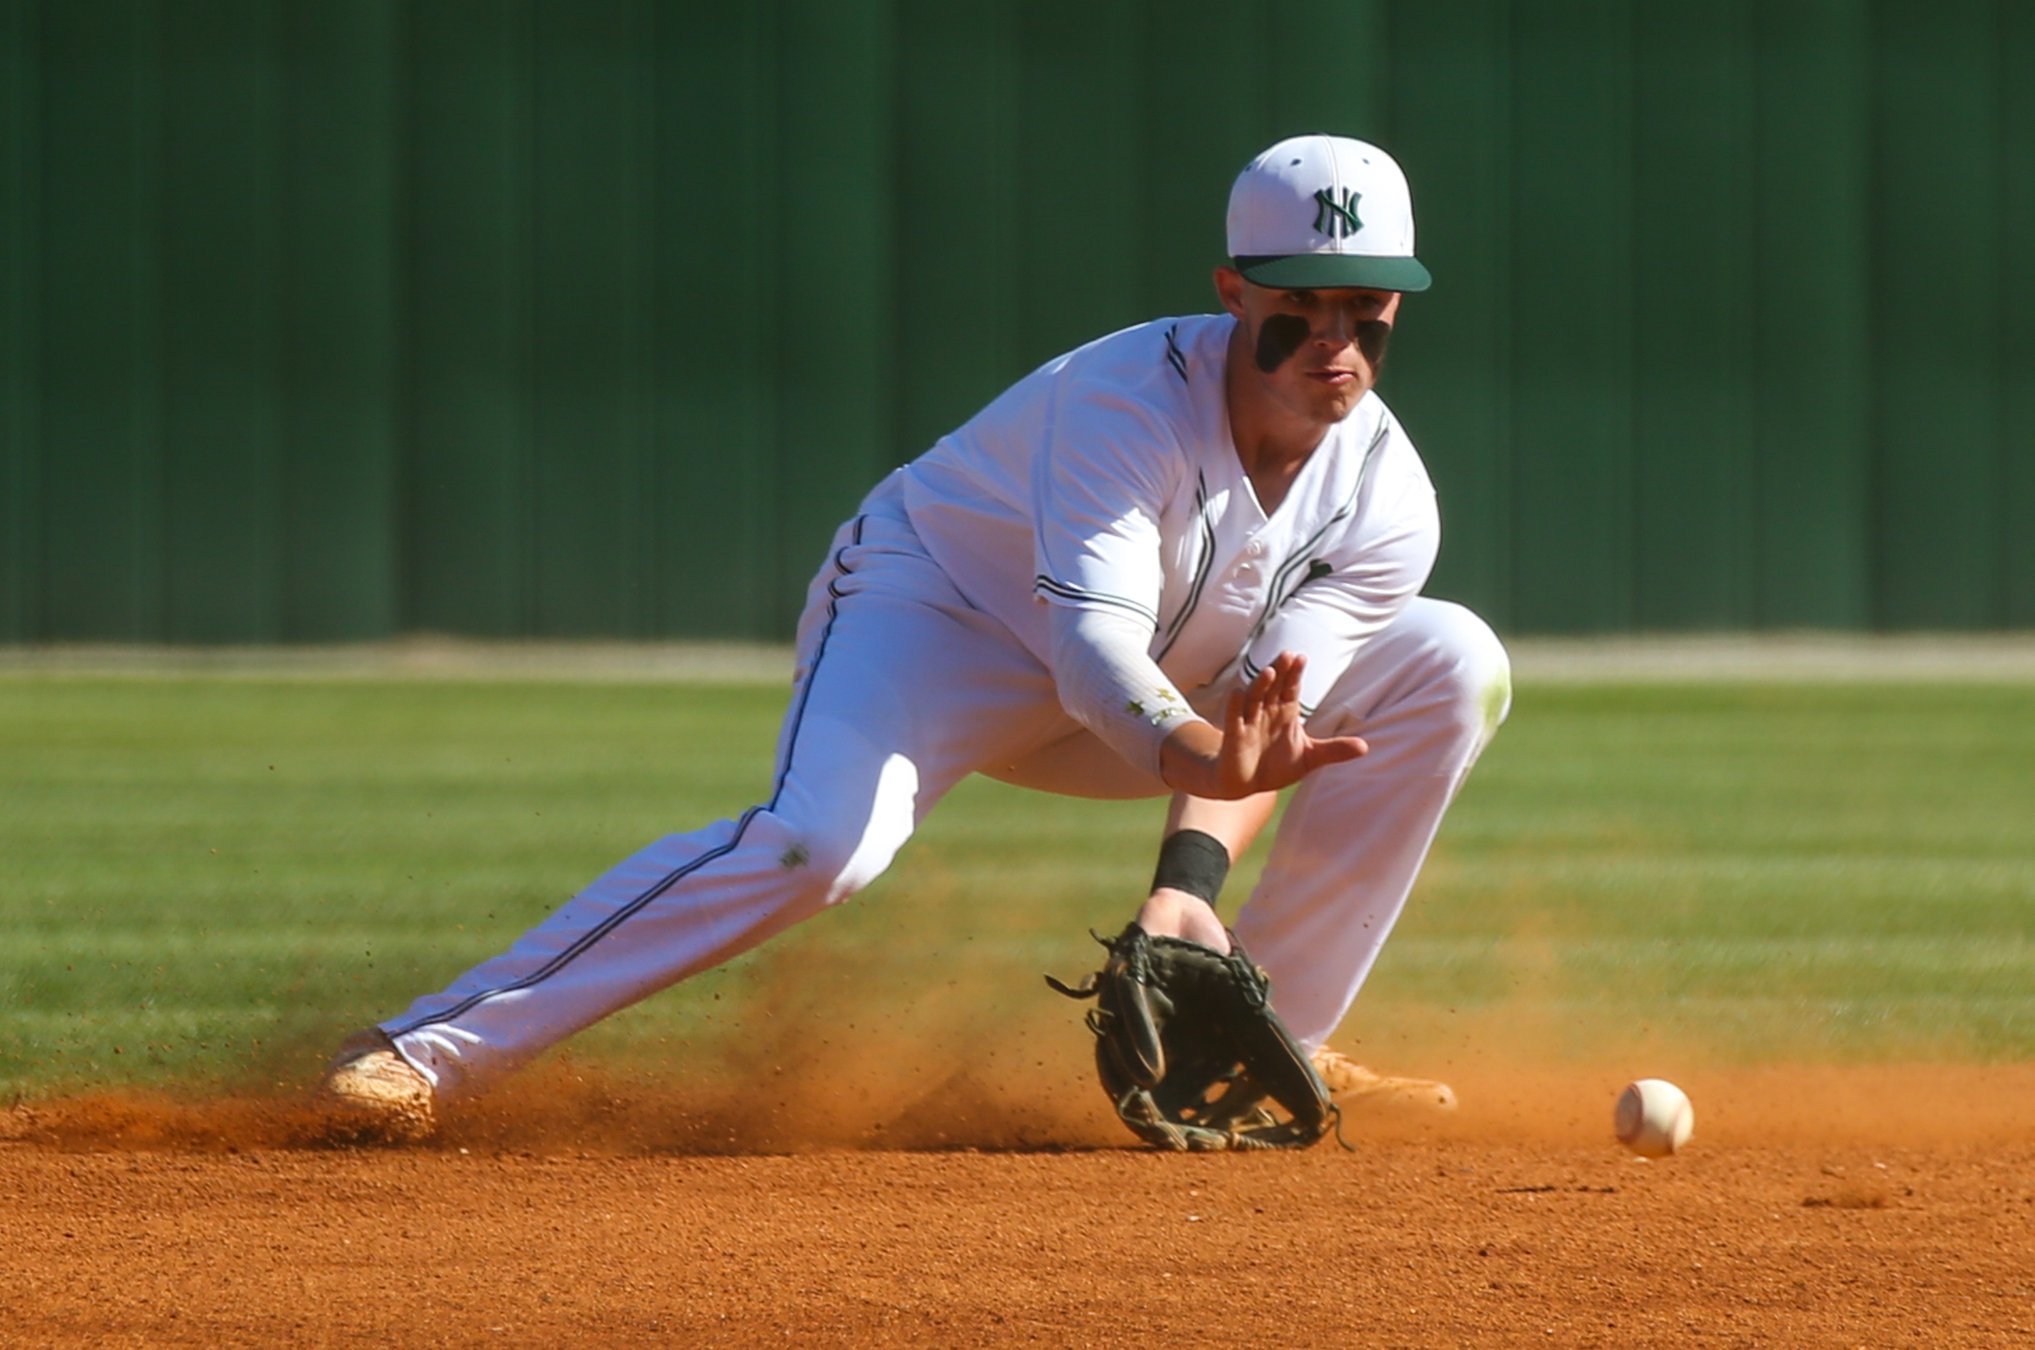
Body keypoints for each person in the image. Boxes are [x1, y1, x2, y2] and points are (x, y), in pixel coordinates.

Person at [323, 133, 1511, 1142]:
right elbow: (1095, 651)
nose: (1333, 337)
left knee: (1452, 658)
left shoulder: (1387, 496)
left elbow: (1261, 716)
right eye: (1299, 302)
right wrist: (1203, 754)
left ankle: (1273, 1043)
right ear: (1232, 291)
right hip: (940, 621)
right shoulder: (1124, 404)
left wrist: (1182, 889)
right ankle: (427, 1051)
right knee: (819, 850)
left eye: (1364, 306)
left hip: (1155, 691)